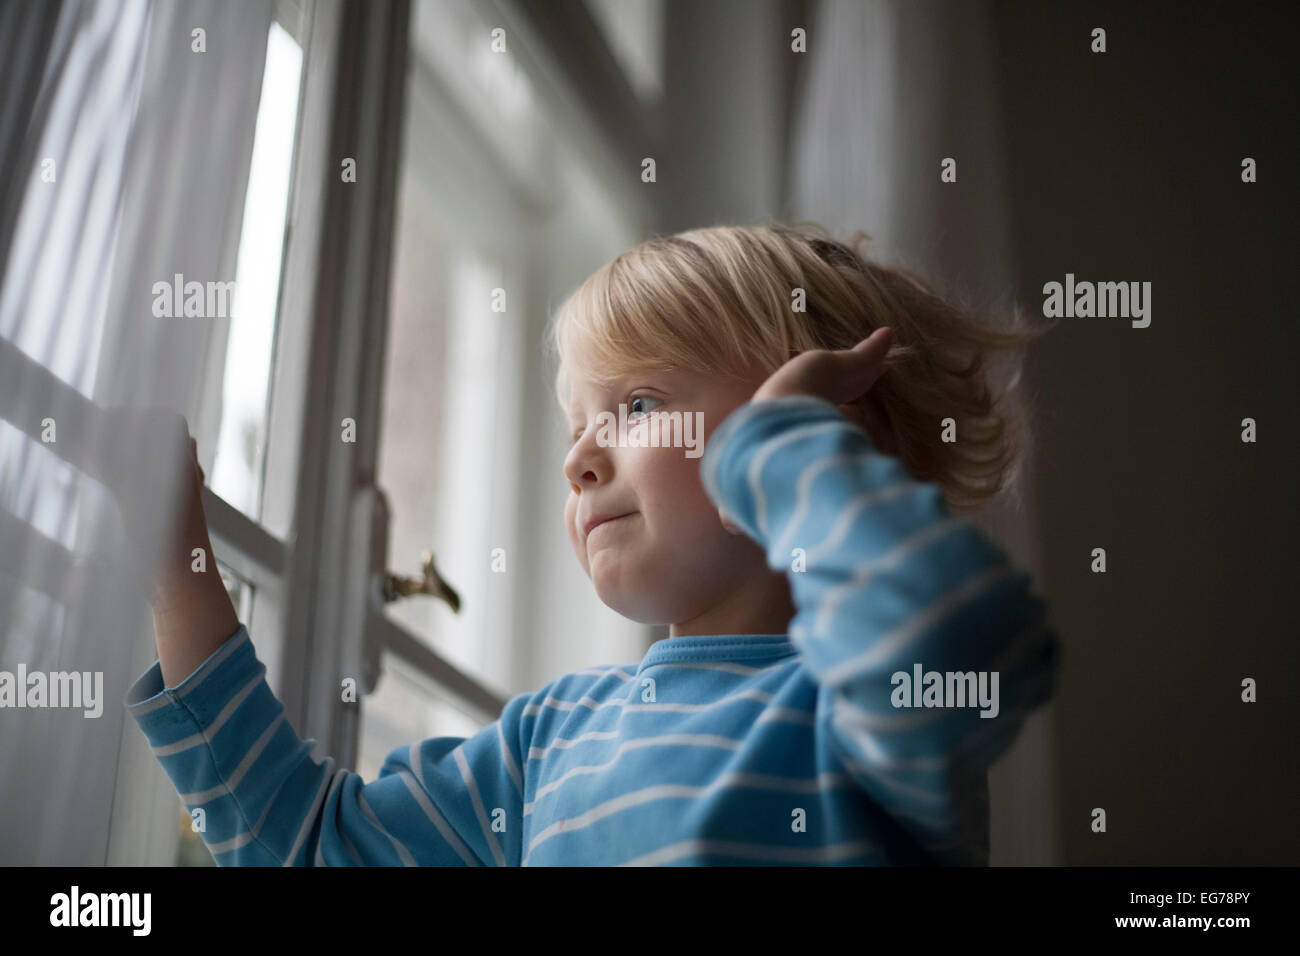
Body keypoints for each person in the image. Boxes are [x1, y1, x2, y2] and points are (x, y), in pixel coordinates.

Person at [121, 221, 1060, 865]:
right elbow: (301, 844)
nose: (579, 459)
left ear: (829, 437)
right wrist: (178, 569)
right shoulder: (544, 746)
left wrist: (778, 460)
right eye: (577, 423)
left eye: (639, 405)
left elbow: (971, 635)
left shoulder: (859, 709)